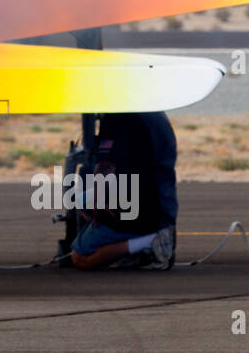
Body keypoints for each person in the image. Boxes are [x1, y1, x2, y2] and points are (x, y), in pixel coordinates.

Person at [68, 111, 177, 271]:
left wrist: (101, 202)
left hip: (136, 211)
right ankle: (139, 243)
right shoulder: (155, 115)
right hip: (162, 206)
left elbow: (105, 167)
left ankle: (149, 241)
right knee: (81, 201)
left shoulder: (116, 120)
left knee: (79, 258)